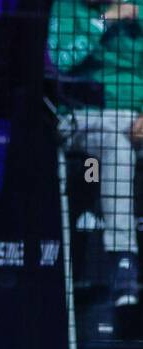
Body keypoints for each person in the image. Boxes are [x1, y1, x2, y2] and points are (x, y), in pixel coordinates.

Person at [47, 0, 143, 309]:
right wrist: (104, 21)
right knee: (118, 144)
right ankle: (123, 260)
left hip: (136, 117)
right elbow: (60, 60)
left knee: (120, 141)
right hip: (82, 117)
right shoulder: (65, 7)